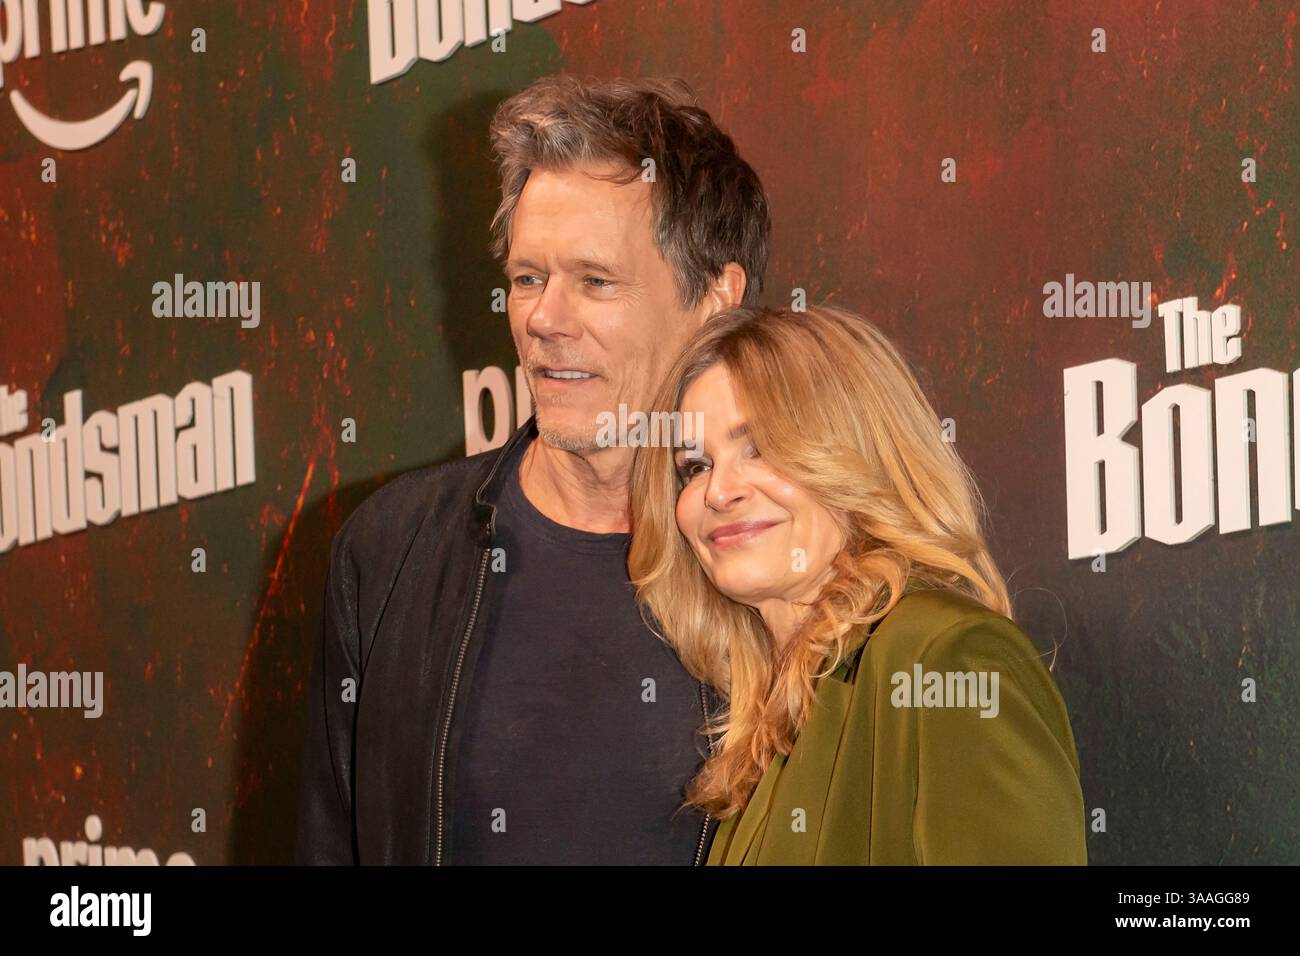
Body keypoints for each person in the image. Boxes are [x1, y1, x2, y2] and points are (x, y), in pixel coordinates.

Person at [294, 74, 771, 864]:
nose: (544, 320)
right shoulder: (389, 555)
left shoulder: (791, 566)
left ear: (716, 300)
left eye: (594, 281)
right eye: (526, 279)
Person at [628, 304, 1088, 864]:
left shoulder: (945, 656)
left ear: (857, 455)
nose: (719, 492)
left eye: (761, 448)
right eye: (695, 466)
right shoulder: (766, 728)